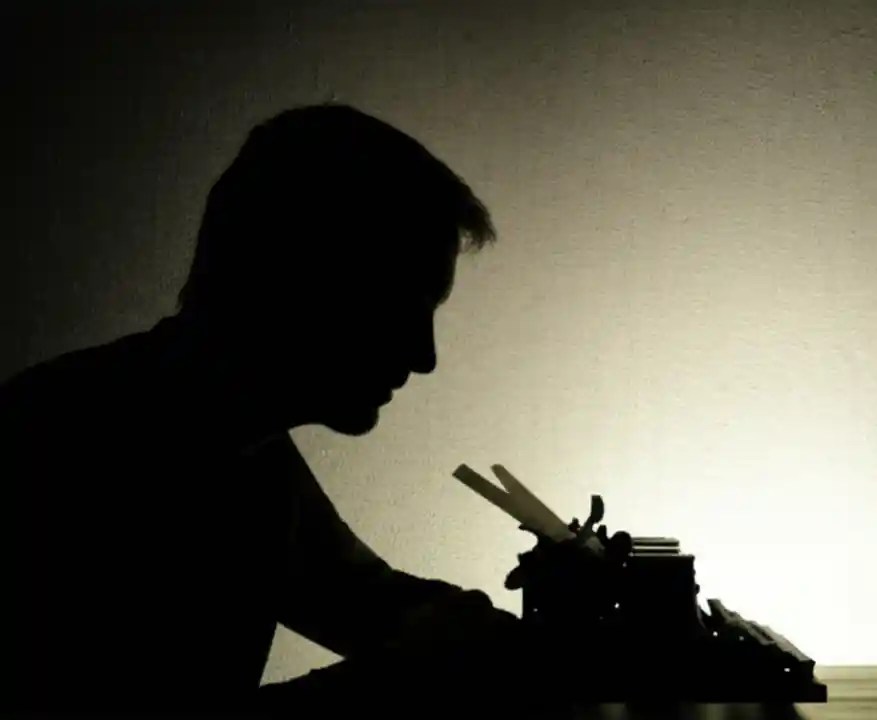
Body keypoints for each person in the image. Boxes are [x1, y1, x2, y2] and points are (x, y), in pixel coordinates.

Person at [0, 104, 526, 713]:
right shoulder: (56, 445)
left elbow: (364, 598)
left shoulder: (247, 451)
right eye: (403, 305)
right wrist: (399, 675)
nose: (424, 356)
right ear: (302, 277)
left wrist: (508, 638)